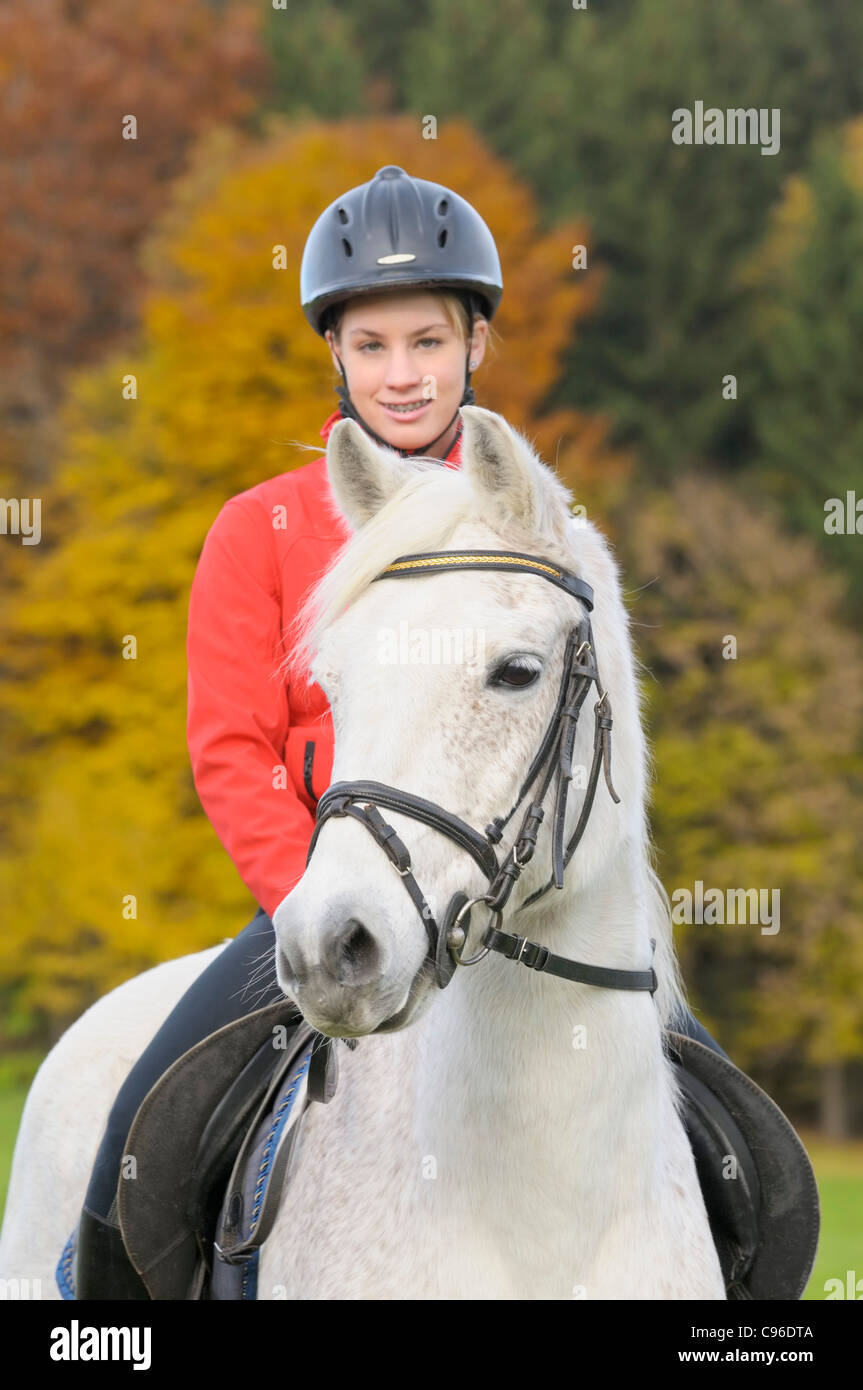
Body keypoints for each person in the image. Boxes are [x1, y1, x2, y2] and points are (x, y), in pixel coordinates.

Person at [73, 166, 727, 1299]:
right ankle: (92, 1302)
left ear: (474, 339)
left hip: (508, 901)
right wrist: (305, 898)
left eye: (426, 340)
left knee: (740, 1147)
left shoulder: (536, 529)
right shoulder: (261, 527)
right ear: (334, 354)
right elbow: (231, 748)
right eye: (370, 346)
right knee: (147, 1119)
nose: (402, 374)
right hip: (330, 899)